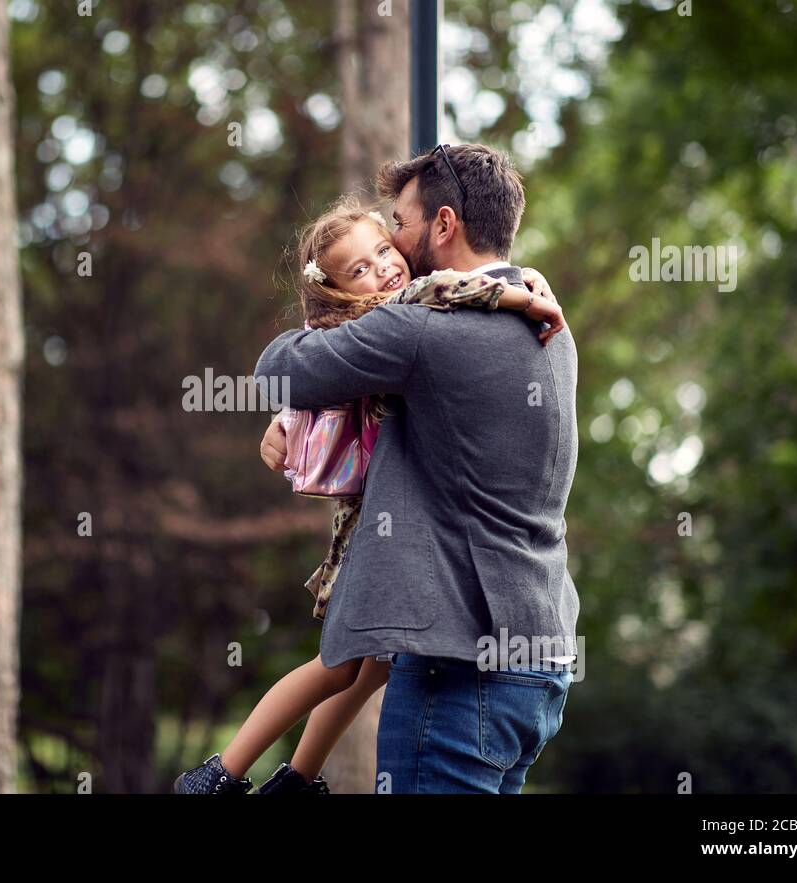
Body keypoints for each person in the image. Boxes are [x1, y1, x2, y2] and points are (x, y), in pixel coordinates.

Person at [173, 188, 564, 795]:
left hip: (388, 527)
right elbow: (444, 290)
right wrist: (517, 288)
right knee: (342, 663)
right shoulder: (400, 314)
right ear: (335, 288)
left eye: (386, 245)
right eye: (361, 267)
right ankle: (223, 772)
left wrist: (284, 417)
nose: (385, 265)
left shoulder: (376, 322)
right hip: (371, 525)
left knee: (363, 664)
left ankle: (291, 779)